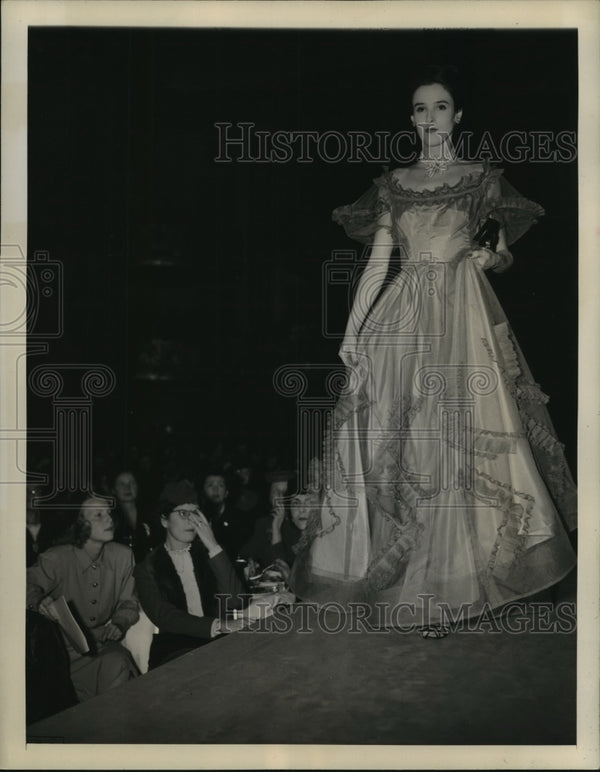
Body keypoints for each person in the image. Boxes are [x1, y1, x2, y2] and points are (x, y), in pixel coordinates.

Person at [289, 65, 577, 634]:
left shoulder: (480, 179)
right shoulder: (393, 184)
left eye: (440, 106)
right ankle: (409, 588)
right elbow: (377, 266)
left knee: (461, 446)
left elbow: (501, 248)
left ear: (458, 115)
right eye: (420, 108)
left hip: (461, 313)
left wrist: (489, 259)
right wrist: (351, 335)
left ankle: (452, 591)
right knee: (399, 448)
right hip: (402, 317)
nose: (429, 117)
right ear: (410, 118)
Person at [26, 496, 140, 702]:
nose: (109, 520)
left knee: (118, 663)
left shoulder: (122, 556)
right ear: (79, 524)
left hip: (101, 646)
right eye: (98, 515)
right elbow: (22, 583)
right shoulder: (56, 558)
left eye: (108, 513)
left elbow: (129, 602)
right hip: (60, 652)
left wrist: (120, 622)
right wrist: (38, 600)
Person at [133, 480, 248, 670]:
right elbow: (164, 616)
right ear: (164, 520)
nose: (191, 521)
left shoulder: (210, 555)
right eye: (183, 513)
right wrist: (217, 625)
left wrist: (212, 544)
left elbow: (237, 601)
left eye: (194, 513)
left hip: (219, 644)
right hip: (174, 649)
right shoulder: (147, 568)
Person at [199, 470, 252, 563]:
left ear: (226, 492)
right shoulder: (197, 518)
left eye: (220, 485)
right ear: (203, 491)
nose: (215, 490)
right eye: (210, 485)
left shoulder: (241, 519)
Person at [110, 470, 153, 561]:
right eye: (122, 484)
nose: (127, 488)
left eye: (132, 483)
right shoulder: (109, 518)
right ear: (113, 490)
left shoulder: (151, 514)